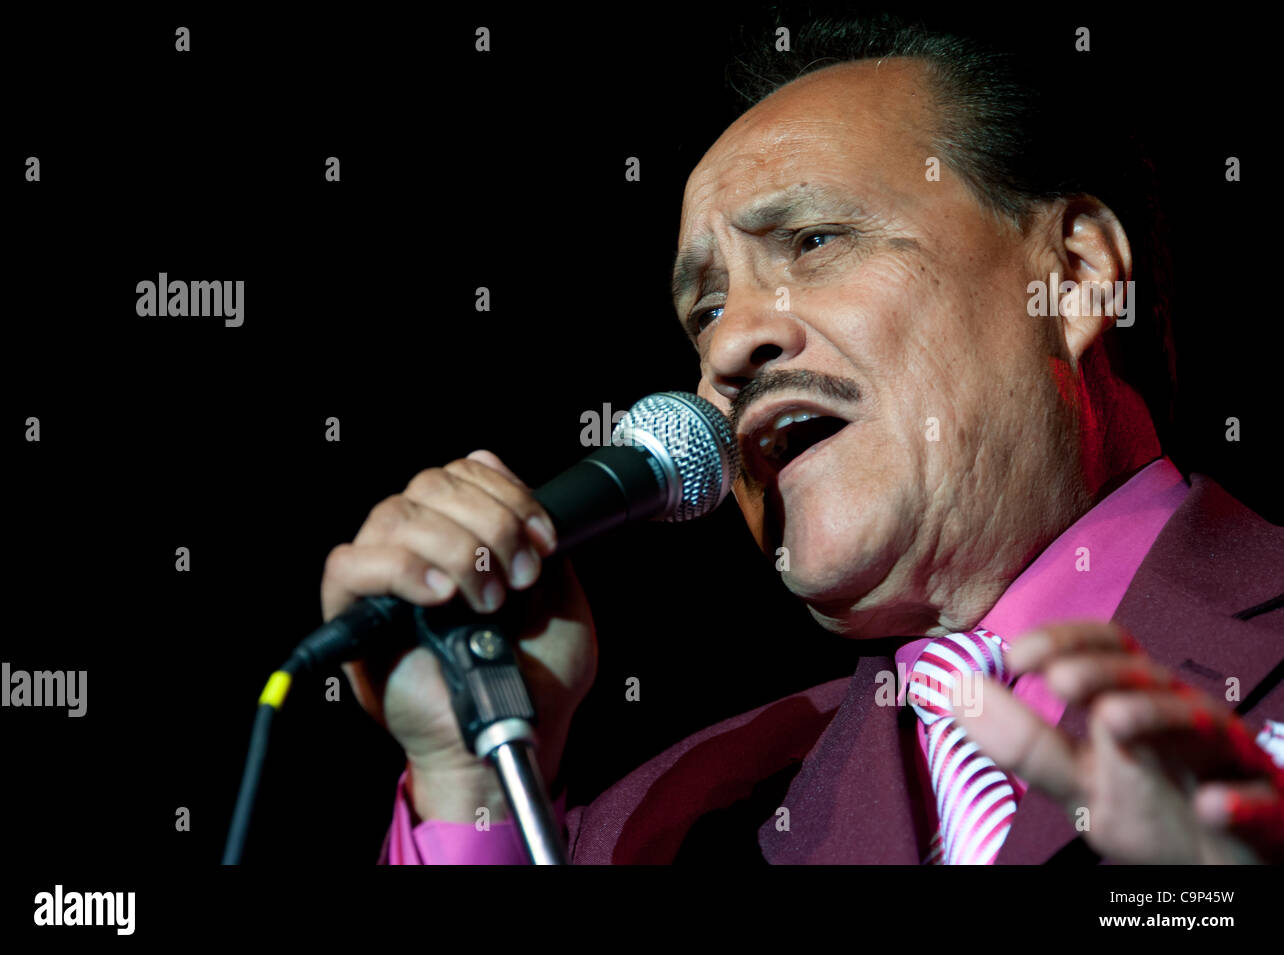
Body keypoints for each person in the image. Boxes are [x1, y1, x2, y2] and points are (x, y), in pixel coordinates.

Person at [321, 17, 1284, 864]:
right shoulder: (666, 826)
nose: (730, 345)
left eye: (816, 241)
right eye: (704, 308)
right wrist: (474, 772)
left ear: (1074, 276)